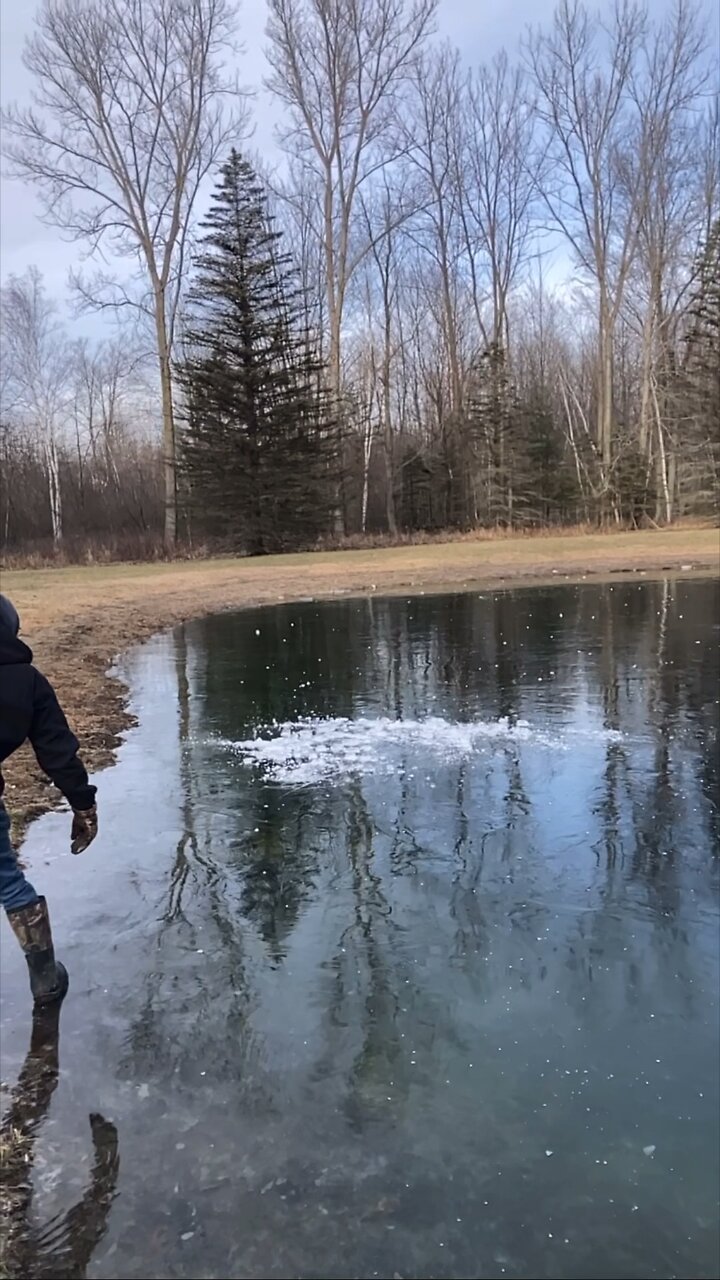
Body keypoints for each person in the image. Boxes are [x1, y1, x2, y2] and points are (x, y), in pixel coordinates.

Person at [0, 593, 98, 1006]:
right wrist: (84, 806)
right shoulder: (27, 682)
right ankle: (45, 981)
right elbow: (58, 752)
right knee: (8, 881)